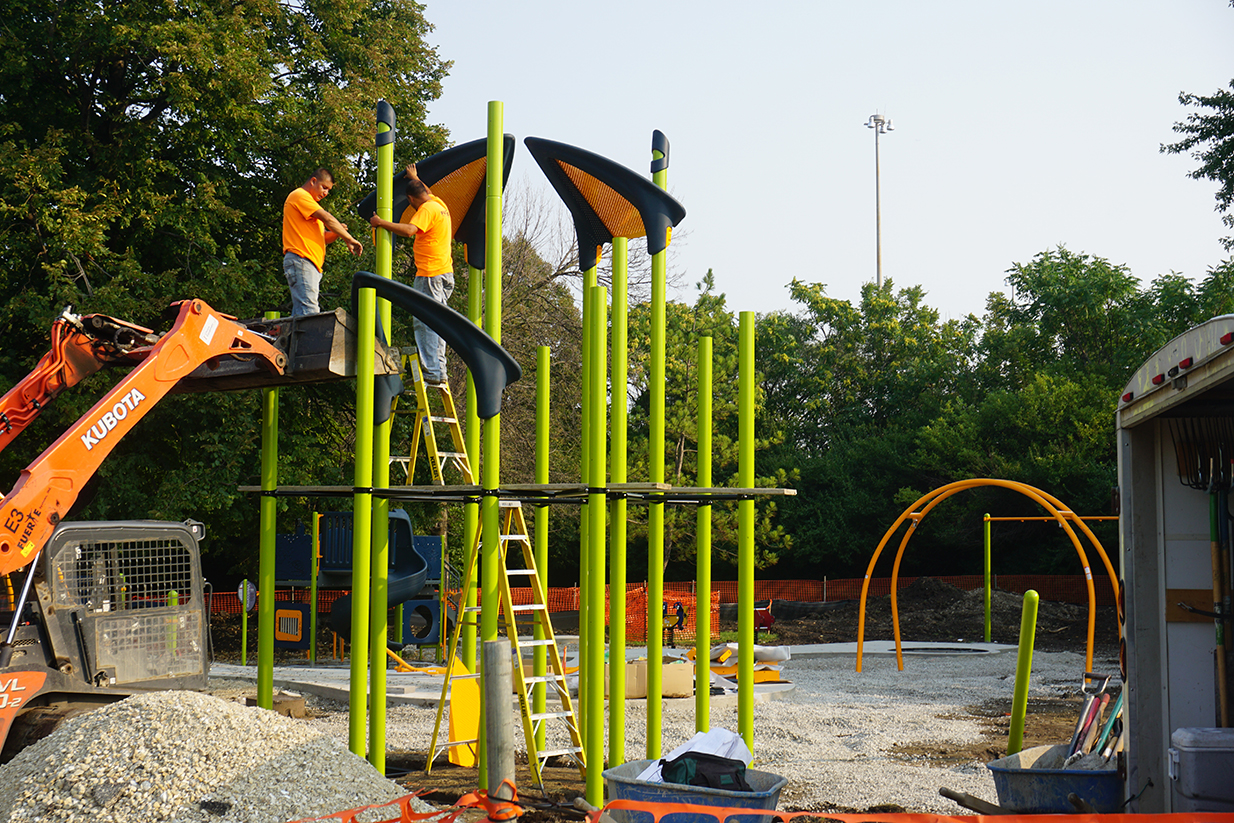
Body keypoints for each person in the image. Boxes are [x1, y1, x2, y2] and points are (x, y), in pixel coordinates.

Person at [368, 163, 453, 384]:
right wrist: (414, 177)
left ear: (411, 199)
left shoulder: (426, 209)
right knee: (439, 321)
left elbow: (409, 230)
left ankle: (433, 371)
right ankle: (439, 369)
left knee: (425, 322)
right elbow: (425, 190)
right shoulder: (438, 203)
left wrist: (381, 223)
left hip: (430, 274)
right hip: (444, 273)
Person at [283, 168, 364, 316]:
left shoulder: (309, 206)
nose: (326, 193)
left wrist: (336, 233)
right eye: (324, 187)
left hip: (308, 263)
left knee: (302, 313)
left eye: (328, 190)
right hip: (301, 260)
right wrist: (349, 238)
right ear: (313, 181)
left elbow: (323, 238)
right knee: (310, 313)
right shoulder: (300, 196)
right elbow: (327, 218)